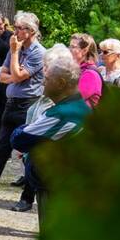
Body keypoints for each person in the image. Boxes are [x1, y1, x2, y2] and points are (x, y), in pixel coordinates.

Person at [11, 46, 90, 224]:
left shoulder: (60, 114)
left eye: (47, 79)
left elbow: (19, 139)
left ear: (60, 83)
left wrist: (29, 128)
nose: (42, 83)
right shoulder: (80, 108)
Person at [0, 11, 44, 207]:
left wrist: (14, 56)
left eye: (20, 28)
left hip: (28, 106)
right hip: (11, 104)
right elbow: (3, 76)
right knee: (0, 151)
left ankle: (27, 199)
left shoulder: (38, 52)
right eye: (16, 27)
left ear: (31, 31)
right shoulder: (16, 48)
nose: (16, 31)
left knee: (30, 154)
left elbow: (18, 75)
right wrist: (14, 71)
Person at [68, 33, 104, 108]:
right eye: (69, 46)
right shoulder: (77, 70)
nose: (69, 50)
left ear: (84, 51)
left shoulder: (90, 75)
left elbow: (72, 100)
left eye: (73, 47)